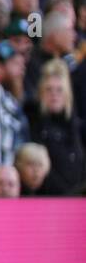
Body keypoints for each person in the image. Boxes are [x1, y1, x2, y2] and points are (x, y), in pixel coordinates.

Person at [27, 59, 85, 195]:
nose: (54, 94)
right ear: (41, 93)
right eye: (49, 89)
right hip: (47, 197)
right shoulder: (33, 122)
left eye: (59, 90)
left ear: (67, 94)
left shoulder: (76, 126)